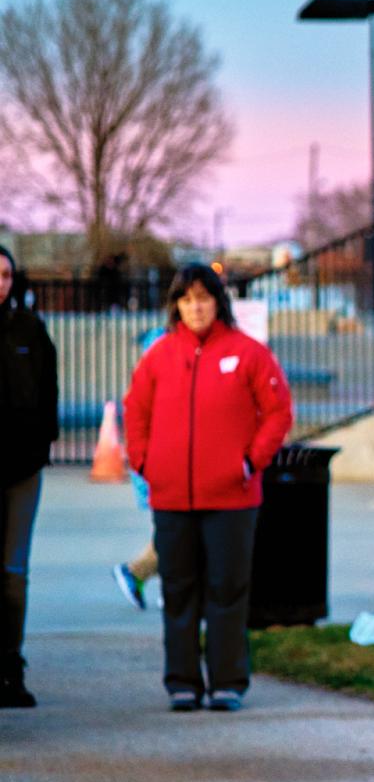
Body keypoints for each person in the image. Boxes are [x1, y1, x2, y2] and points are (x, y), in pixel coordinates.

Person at [123, 265, 293, 712]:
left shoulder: (249, 353)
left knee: (227, 590)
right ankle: (182, 681)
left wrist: (249, 461)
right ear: (176, 306)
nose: (195, 307)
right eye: (186, 300)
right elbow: (135, 411)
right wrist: (144, 461)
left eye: (203, 298)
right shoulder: (158, 356)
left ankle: (227, 682)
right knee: (179, 591)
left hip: (233, 498)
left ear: (218, 301)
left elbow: (278, 413)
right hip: (172, 495)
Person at [0, 244, 59, 708]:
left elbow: (48, 396)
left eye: (4, 275)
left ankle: (10, 666)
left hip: (21, 472)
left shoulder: (31, 332)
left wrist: (41, 447)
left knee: (13, 574)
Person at [114, 328, 167, 611]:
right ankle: (137, 572)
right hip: (160, 472)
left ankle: (142, 575)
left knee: (174, 533)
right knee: (174, 533)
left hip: (159, 471)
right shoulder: (156, 384)